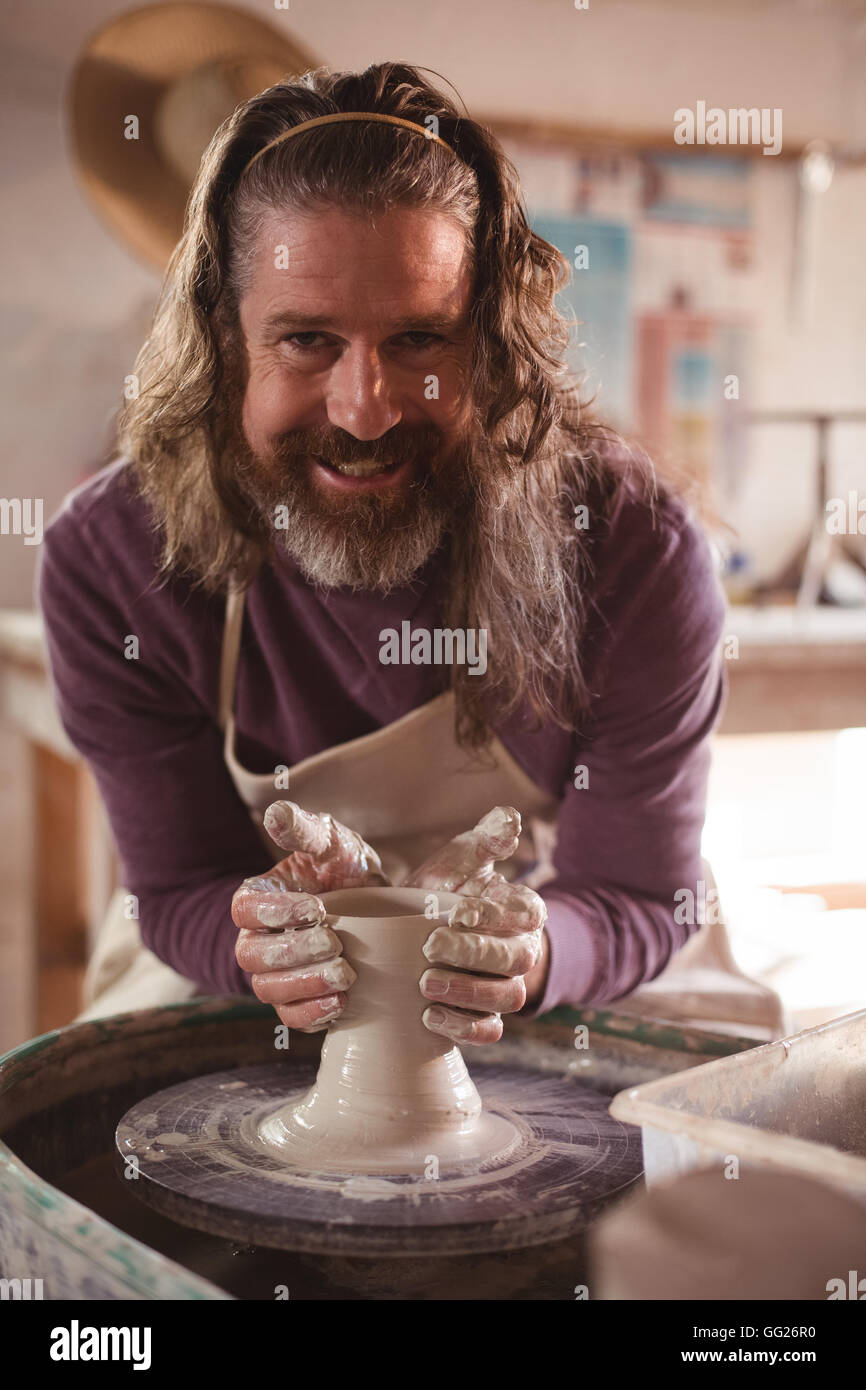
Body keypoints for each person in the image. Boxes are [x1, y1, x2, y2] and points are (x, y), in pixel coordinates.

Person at [38, 62, 783, 1041]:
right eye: (306, 340)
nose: (364, 409)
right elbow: (178, 883)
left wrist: (531, 950)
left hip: (564, 944)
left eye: (419, 340)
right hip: (258, 969)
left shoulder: (630, 546)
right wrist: (257, 946)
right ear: (224, 345)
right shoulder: (112, 559)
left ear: (492, 344)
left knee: (714, 1170)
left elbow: (636, 893)